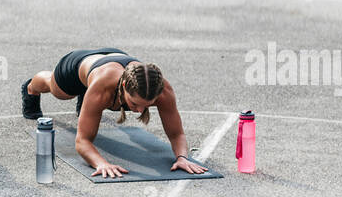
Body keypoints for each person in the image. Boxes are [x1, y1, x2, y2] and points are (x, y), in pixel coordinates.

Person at [20, 47, 206, 179]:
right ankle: (30, 88)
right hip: (76, 66)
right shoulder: (103, 87)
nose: (139, 110)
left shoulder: (162, 89)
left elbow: (176, 133)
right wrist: (101, 163)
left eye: (146, 106)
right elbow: (82, 141)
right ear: (124, 85)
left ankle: (86, 96)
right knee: (58, 91)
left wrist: (182, 157)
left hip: (113, 59)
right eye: (134, 103)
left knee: (93, 99)